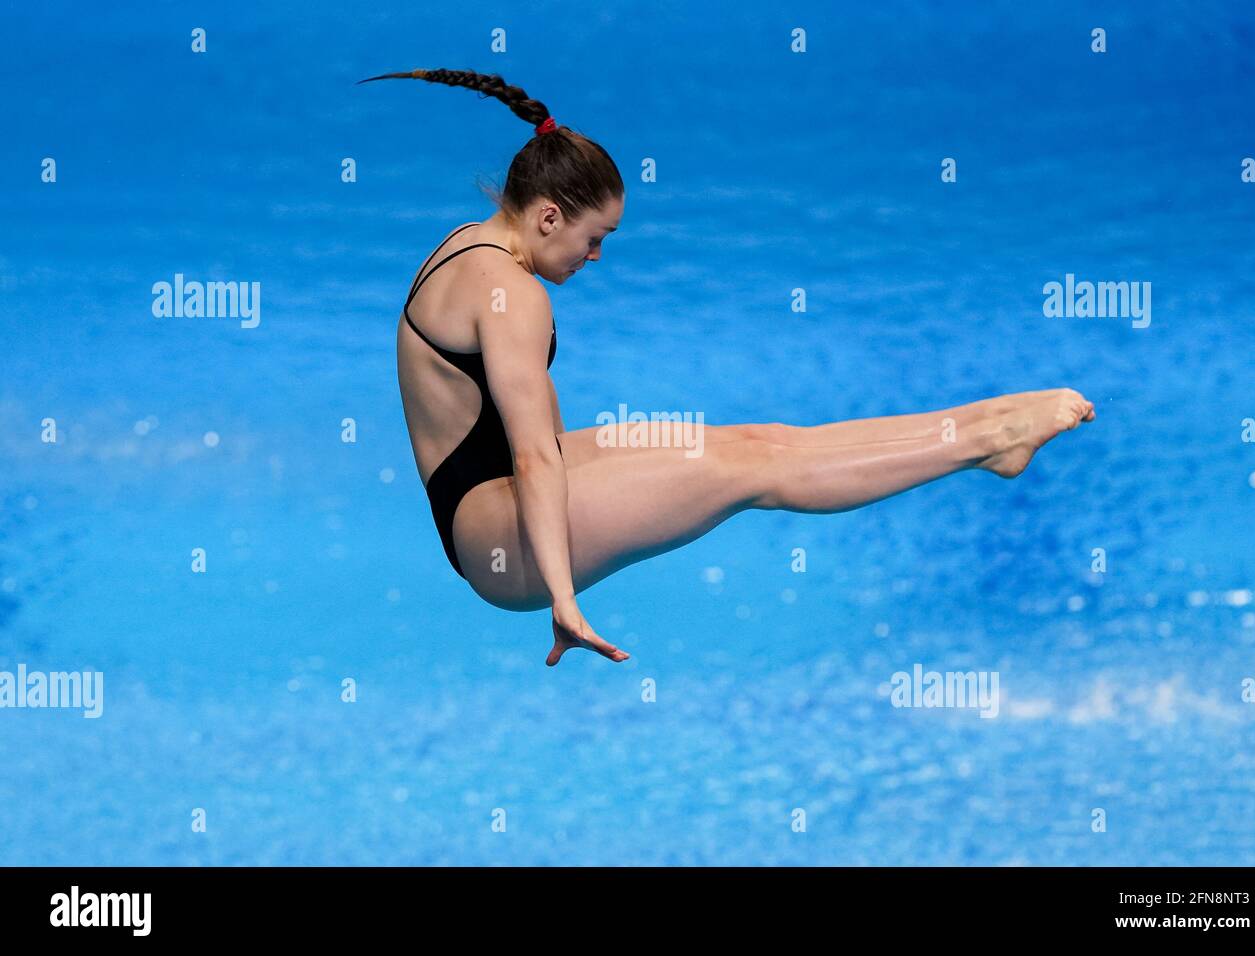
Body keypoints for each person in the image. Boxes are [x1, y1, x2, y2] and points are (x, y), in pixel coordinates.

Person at [363, 69, 1097, 668]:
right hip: (500, 542)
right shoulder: (513, 295)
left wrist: (588, 465)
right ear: (549, 216)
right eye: (594, 239)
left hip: (495, 503)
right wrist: (563, 598)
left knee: (759, 440)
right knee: (756, 475)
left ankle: (978, 423)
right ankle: (982, 444)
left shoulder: (467, 245)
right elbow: (527, 448)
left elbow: (528, 424)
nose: (596, 259)